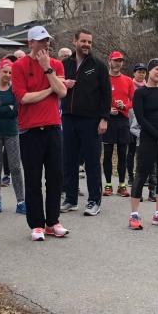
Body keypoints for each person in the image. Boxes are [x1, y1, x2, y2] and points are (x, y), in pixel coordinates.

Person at [10, 26, 68, 241]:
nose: (46, 44)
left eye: (47, 40)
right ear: (30, 43)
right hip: (30, 130)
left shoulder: (56, 64)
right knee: (33, 178)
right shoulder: (19, 66)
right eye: (41, 40)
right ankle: (36, 224)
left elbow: (62, 92)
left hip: (53, 127)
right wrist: (50, 89)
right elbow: (24, 98)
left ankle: (53, 222)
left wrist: (47, 69)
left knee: (55, 177)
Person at [60, 29, 110, 216]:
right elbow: (54, 86)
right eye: (83, 41)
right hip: (68, 118)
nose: (87, 45)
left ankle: (94, 201)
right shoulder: (64, 64)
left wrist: (104, 118)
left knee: (92, 162)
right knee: (69, 160)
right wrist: (63, 84)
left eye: (89, 42)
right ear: (75, 42)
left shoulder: (98, 65)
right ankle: (71, 199)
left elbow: (106, 94)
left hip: (91, 121)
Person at [129, 58, 158, 230]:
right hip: (149, 140)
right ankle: (134, 215)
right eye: (157, 69)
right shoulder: (140, 93)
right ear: (149, 71)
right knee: (142, 174)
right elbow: (140, 118)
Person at [0, 59, 25, 215]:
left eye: (10, 72)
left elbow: (16, 111)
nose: (8, 75)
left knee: (15, 167)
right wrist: (5, 108)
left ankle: (21, 202)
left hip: (11, 132)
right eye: (5, 72)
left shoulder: (14, 89)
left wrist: (0, 107)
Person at [102, 51, 135, 197]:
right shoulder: (103, 78)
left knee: (123, 153)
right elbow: (96, 98)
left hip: (122, 120)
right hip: (107, 119)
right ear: (109, 61)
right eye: (115, 61)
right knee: (108, 154)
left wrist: (125, 106)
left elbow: (134, 101)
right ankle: (108, 184)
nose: (118, 63)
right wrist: (107, 110)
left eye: (120, 61)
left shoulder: (128, 80)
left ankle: (122, 185)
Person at [128, 62, 155, 201]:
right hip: (133, 122)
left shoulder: (149, 87)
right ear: (134, 73)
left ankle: (152, 191)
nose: (141, 74)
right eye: (139, 71)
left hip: (151, 135)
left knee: (153, 167)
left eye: (144, 71)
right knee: (139, 162)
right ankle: (136, 189)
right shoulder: (130, 84)